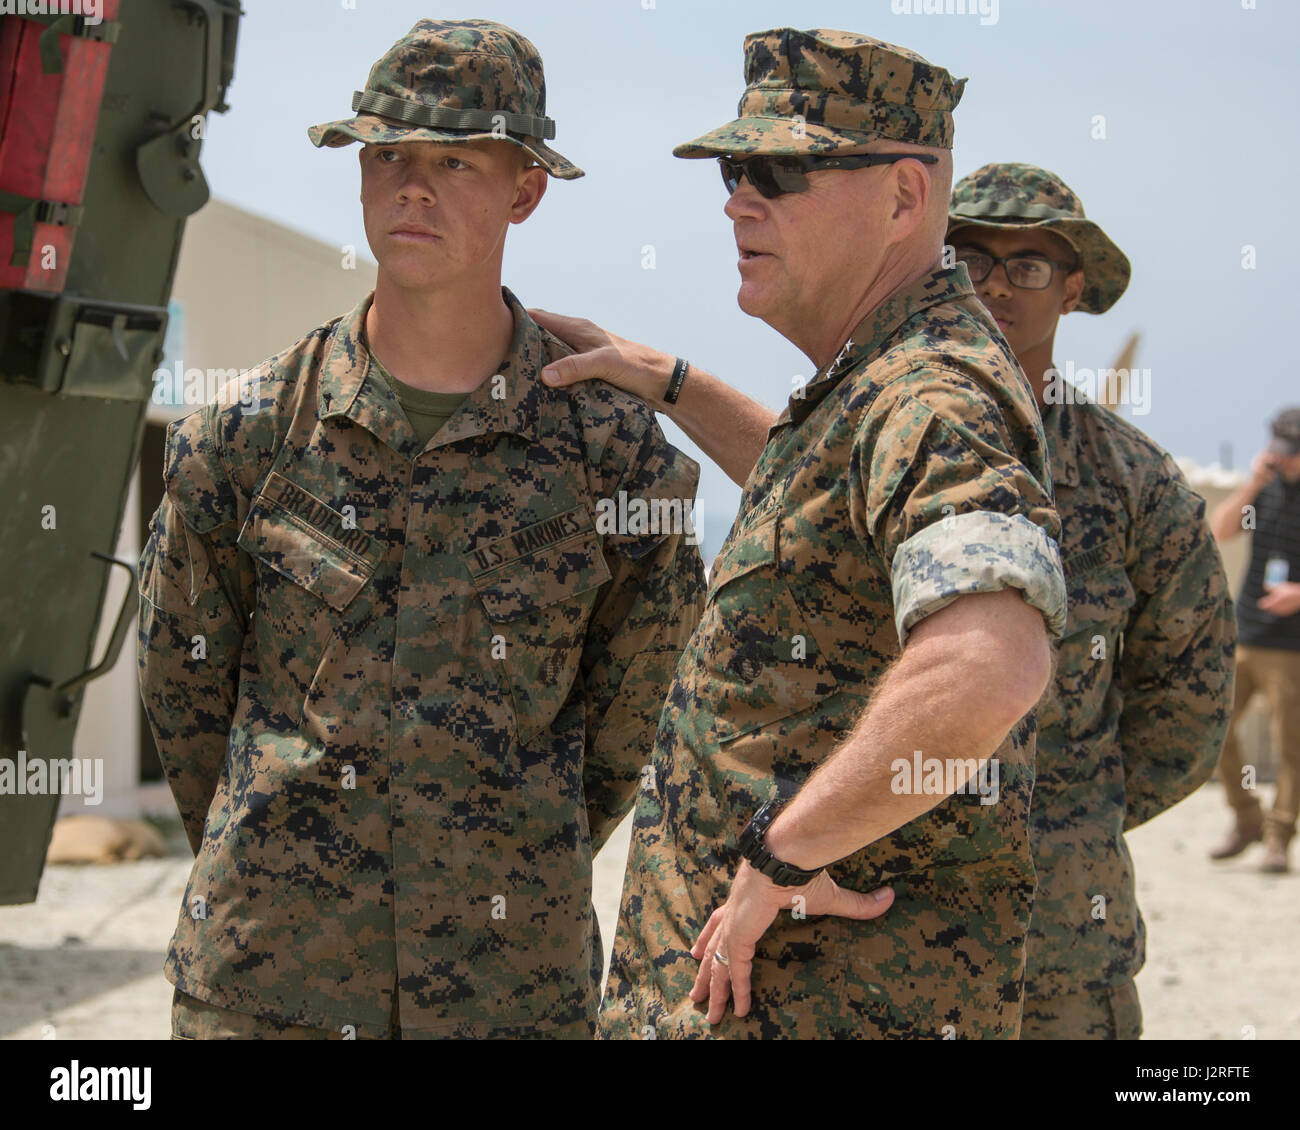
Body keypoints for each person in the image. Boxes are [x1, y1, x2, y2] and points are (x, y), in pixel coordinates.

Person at [137, 18, 705, 1039]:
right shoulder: (249, 433)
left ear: (524, 190)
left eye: (454, 160)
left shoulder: (614, 458)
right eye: (389, 154)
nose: (412, 187)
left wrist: (501, 851)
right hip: (272, 986)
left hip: (507, 994)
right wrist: (278, 851)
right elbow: (185, 695)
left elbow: (631, 723)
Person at [538, 29, 1066, 1038]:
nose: (741, 200)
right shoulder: (875, 380)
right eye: (736, 171)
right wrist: (672, 383)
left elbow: (987, 664)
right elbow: (819, 524)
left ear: (905, 199)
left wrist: (783, 852)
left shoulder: (928, 391)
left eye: (782, 172)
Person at [945, 164, 1235, 1037]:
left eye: (1027, 265)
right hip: (870, 932)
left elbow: (1186, 715)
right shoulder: (856, 443)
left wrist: (1070, 805)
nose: (995, 285)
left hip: (1060, 947)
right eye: (970, 259)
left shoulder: (1137, 485)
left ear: (1072, 289)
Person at [1209, 406, 1300, 873]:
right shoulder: (1264, 490)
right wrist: (1253, 485)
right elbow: (1220, 531)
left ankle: (1279, 837)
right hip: (1246, 635)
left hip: (1292, 647)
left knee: (1292, 749)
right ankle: (1247, 819)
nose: (1284, 461)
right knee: (1214, 727)